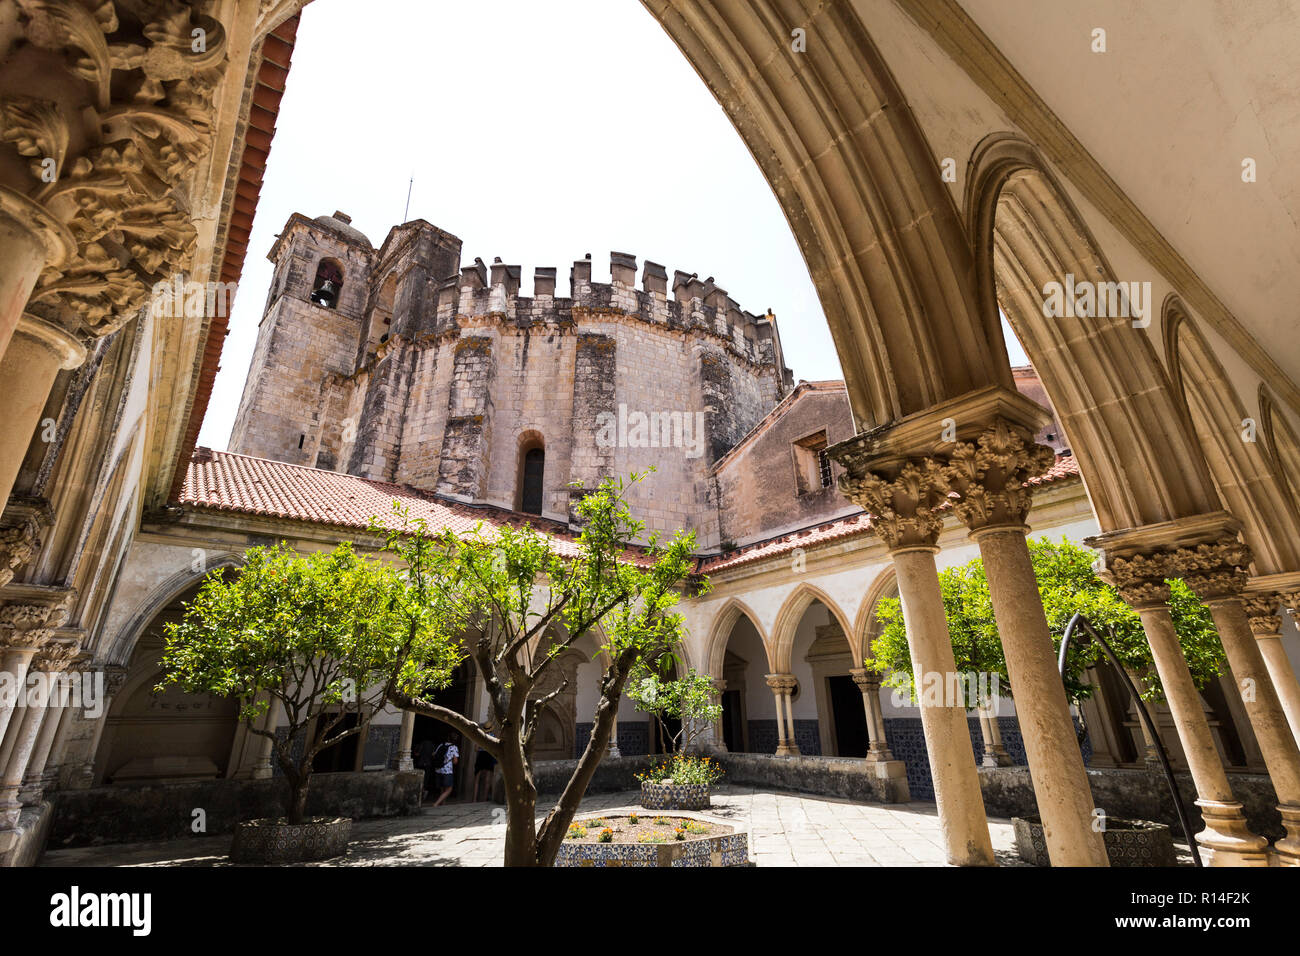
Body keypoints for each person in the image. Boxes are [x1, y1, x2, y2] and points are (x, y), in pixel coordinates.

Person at [432, 733, 459, 807]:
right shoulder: (454, 747)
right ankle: (436, 804)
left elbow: (434, 754)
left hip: (438, 769)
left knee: (443, 788)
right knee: (449, 789)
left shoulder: (441, 745)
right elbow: (455, 761)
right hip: (447, 770)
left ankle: (443, 804)